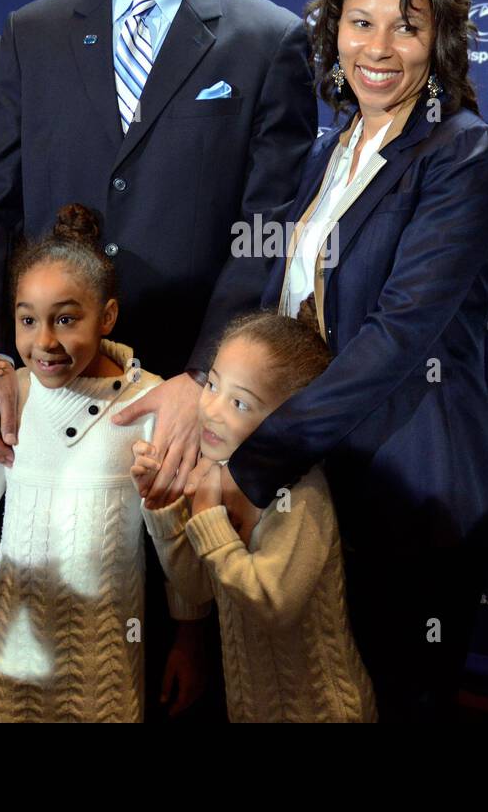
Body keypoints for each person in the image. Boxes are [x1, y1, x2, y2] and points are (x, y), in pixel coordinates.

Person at [0, 0, 316, 717]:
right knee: (53, 648)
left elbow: (263, 229)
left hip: (186, 409)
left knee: (179, 650)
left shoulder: (268, 37)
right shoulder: (34, 30)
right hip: (53, 400)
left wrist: (203, 379)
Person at [170, 0, 488, 721]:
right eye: (360, 23)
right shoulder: (332, 151)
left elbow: (395, 337)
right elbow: (284, 313)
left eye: (407, 25)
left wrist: (256, 460)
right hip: (319, 482)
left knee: (395, 701)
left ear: (443, 40)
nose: (379, 48)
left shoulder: (464, 154)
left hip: (410, 493)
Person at [0, 204, 205, 722]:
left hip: (104, 674)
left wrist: (189, 639)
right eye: (27, 319)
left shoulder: (151, 401)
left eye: (67, 319)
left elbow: (181, 556)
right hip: (12, 660)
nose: (44, 342)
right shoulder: (15, 395)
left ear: (108, 316)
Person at [134, 309, 377, 723]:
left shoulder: (300, 494)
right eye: (212, 384)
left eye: (240, 402)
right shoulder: (215, 471)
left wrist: (210, 520)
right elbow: (196, 588)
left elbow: (271, 605)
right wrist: (164, 507)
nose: (211, 409)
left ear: (289, 419)